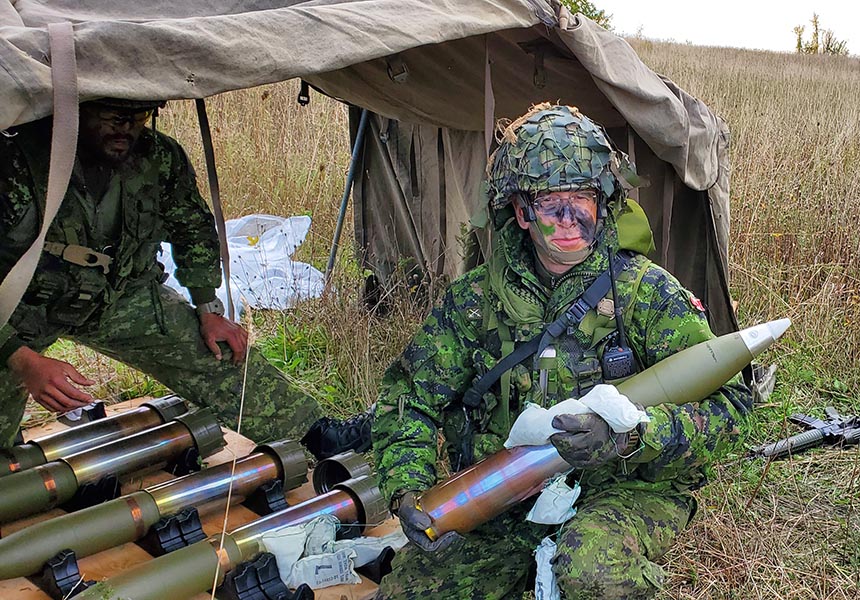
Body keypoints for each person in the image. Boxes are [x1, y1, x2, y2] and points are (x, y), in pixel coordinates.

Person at [372, 104, 752, 599]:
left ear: (605, 203)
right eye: (553, 204)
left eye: (584, 200)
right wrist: (409, 489)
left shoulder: (647, 295)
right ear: (521, 212)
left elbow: (732, 409)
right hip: (506, 492)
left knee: (590, 570)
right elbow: (409, 400)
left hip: (623, 489)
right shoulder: (474, 303)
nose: (571, 220)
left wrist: (632, 438)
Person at [0, 98, 370, 459]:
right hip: (15, 308)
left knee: (215, 352)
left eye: (139, 115)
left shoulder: (157, 157)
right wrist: (20, 359)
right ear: (73, 110)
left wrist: (209, 307)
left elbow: (192, 228)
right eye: (113, 117)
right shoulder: (16, 161)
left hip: (118, 295)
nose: (126, 128)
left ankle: (317, 435)